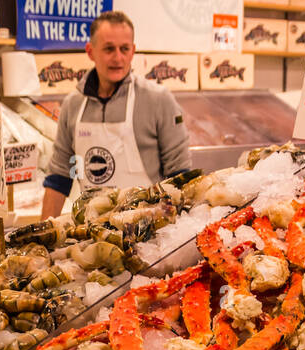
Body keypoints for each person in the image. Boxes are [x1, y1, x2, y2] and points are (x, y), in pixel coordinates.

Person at [40, 10, 191, 219]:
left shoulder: (158, 100)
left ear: (133, 51)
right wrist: (43, 239)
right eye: (109, 49)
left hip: (150, 232)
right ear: (91, 51)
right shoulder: (73, 104)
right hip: (92, 232)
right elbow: (59, 178)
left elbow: (180, 178)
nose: (118, 58)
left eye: (124, 49)